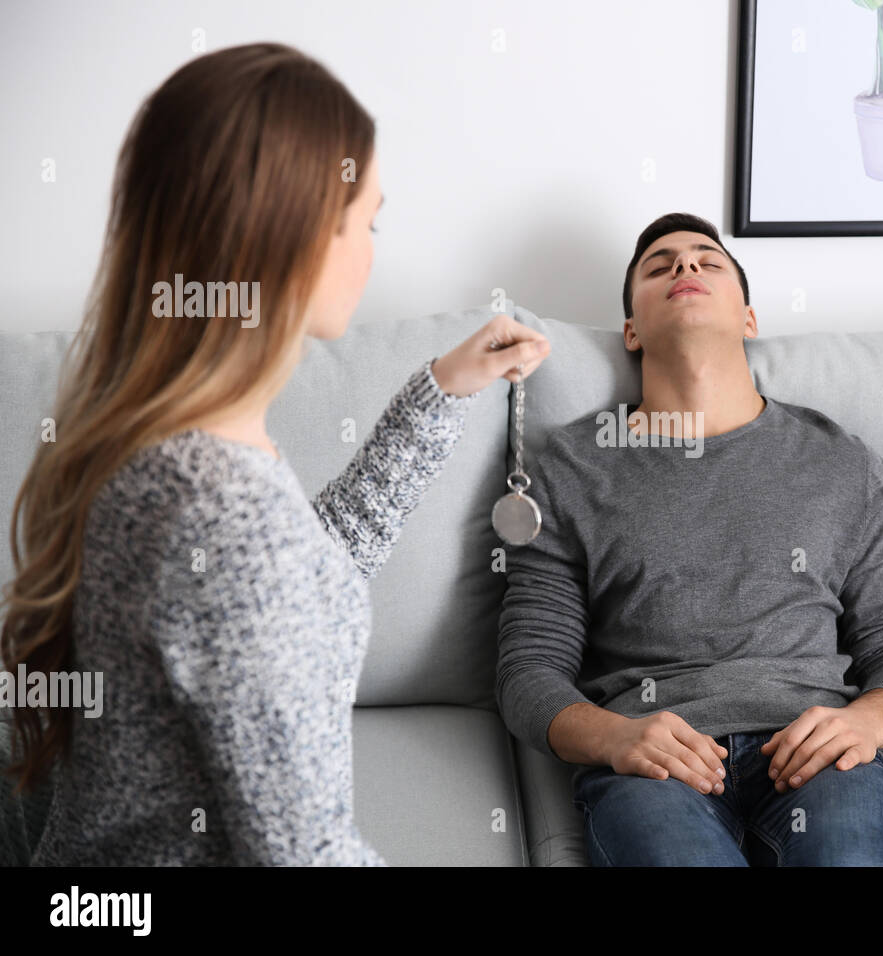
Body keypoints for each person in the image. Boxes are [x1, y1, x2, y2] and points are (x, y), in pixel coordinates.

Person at [0, 42, 549, 865]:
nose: (373, 246)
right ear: (295, 236)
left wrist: (443, 390)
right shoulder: (227, 516)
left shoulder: (156, 447)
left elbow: (309, 567)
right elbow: (305, 853)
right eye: (369, 218)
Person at [496, 212, 883, 866]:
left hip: (815, 753)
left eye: (708, 259)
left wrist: (870, 721)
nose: (684, 267)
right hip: (657, 764)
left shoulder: (844, 464)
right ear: (632, 330)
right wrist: (615, 737)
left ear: (750, 318)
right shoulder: (568, 469)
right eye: (660, 265)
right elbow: (529, 669)